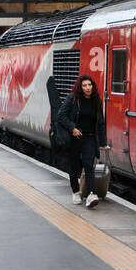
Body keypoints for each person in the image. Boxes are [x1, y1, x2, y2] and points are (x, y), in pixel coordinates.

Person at [56, 74, 107, 209]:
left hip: (90, 137)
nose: (87, 88)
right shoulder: (73, 99)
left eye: (89, 85)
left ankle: (91, 194)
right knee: (74, 166)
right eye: (84, 85)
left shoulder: (97, 101)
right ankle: (75, 192)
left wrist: (103, 143)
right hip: (75, 138)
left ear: (93, 86)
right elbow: (61, 115)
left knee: (88, 165)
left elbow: (100, 122)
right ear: (80, 87)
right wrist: (72, 128)